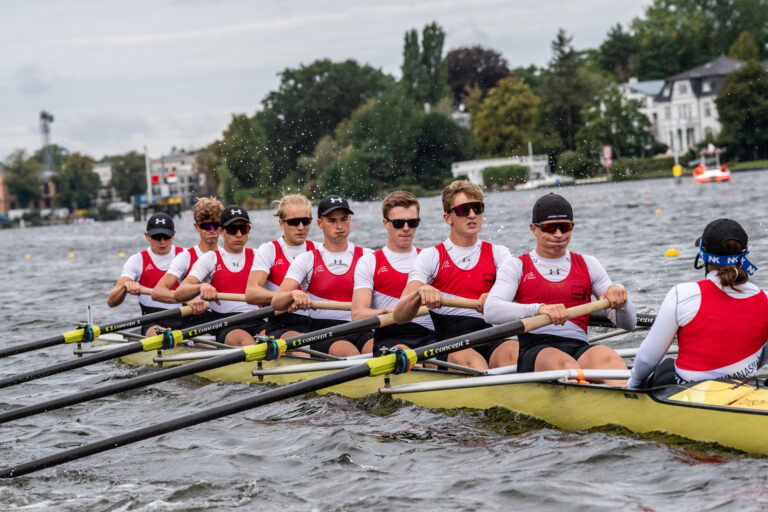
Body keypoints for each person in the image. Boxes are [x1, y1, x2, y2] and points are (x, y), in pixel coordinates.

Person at [484, 192, 635, 386]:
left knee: (610, 358)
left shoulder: (589, 264)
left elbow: (628, 323)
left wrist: (621, 297)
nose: (558, 235)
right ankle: (589, 396)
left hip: (580, 348)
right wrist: (539, 309)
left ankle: (626, 399)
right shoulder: (517, 266)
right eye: (550, 228)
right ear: (534, 229)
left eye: (565, 227)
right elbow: (491, 310)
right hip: (536, 351)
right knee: (564, 364)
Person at [628, 219, 768, 389]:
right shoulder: (765, 299)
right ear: (745, 256)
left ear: (703, 256)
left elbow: (647, 358)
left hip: (688, 392)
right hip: (743, 391)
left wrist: (633, 387)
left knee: (666, 367)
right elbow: (763, 357)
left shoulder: (683, 294)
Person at [393, 180, 518, 370]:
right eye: (463, 210)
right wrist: (420, 294)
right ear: (448, 218)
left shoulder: (499, 254)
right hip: (451, 344)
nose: (472, 215)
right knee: (474, 364)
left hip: (494, 336)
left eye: (477, 208)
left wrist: (498, 298)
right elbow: (400, 315)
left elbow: (519, 298)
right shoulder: (431, 257)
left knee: (514, 354)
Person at [272, 195, 373, 357]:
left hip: (363, 329)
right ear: (320, 223)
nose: (339, 226)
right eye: (332, 220)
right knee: (350, 353)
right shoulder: (307, 259)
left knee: (379, 349)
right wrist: (292, 294)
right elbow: (277, 302)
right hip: (325, 333)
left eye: (344, 219)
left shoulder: (368, 256)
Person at [352, 191, 434, 355]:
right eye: (398, 223)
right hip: (391, 336)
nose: (406, 229)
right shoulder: (370, 262)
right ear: (386, 223)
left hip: (430, 336)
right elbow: (358, 315)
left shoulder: (430, 258)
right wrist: (384, 311)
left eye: (412, 222)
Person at [174, 205, 264, 347]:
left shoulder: (259, 255)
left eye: (243, 229)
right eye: (233, 230)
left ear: (249, 230)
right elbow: (179, 294)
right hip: (227, 324)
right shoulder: (211, 258)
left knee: (275, 340)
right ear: (221, 231)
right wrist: (200, 287)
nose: (239, 234)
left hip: (259, 321)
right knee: (246, 341)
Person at [247, 194, 316, 339]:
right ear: (281, 223)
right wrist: (288, 297)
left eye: (306, 221)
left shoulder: (318, 250)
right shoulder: (269, 250)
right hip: (282, 323)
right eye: (294, 222)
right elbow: (251, 293)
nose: (301, 227)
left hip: (315, 322)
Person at [107, 212, 184, 335]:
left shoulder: (186, 255)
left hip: (187, 315)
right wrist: (125, 287)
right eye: (157, 237)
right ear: (147, 236)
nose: (162, 242)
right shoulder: (138, 260)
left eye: (166, 237)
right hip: (154, 321)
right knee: (156, 333)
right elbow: (111, 302)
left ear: (174, 235)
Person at [151, 197, 224, 323]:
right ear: (197, 227)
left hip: (224, 316)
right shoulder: (186, 257)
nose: (211, 230)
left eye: (216, 225)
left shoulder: (227, 255)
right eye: (206, 226)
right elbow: (157, 292)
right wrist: (186, 299)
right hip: (195, 318)